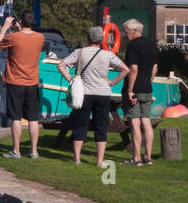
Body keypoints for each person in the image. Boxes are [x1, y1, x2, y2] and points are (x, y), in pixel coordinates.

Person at [59, 26, 128, 166]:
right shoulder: (107, 54)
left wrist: (72, 81)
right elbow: (125, 69)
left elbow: (61, 65)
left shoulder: (79, 52)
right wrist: (112, 82)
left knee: (80, 125)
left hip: (83, 93)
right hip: (102, 93)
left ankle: (77, 158)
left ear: (88, 38)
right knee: (101, 126)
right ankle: (100, 160)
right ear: (101, 39)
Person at [0, 10, 45, 159]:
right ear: (33, 23)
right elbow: (26, 39)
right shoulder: (40, 37)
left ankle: (16, 151)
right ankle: (34, 151)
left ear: (21, 22)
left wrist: (5, 27)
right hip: (32, 82)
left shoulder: (13, 37)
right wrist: (19, 29)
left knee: (16, 118)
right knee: (33, 118)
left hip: (15, 82)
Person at [121, 18, 159, 166]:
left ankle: (136, 158)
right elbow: (155, 67)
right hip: (147, 88)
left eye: (126, 32)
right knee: (146, 122)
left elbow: (133, 69)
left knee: (135, 123)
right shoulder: (152, 45)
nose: (125, 35)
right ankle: (148, 157)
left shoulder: (133, 46)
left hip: (134, 89)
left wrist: (130, 89)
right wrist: (149, 81)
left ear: (134, 31)